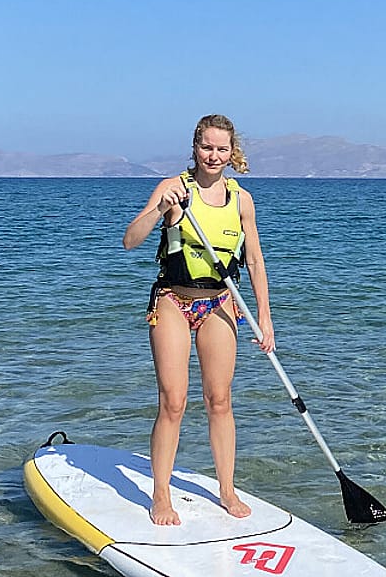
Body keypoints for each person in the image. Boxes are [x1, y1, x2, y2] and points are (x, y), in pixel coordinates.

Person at [122, 114, 274, 526]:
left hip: (220, 304)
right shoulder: (173, 188)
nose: (214, 155)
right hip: (173, 300)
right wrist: (159, 210)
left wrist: (265, 315)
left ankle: (226, 489)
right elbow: (130, 240)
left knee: (219, 401)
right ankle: (160, 493)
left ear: (232, 153)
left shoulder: (241, 199)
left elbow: (256, 261)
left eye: (222, 148)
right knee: (173, 402)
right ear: (195, 147)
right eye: (207, 147)